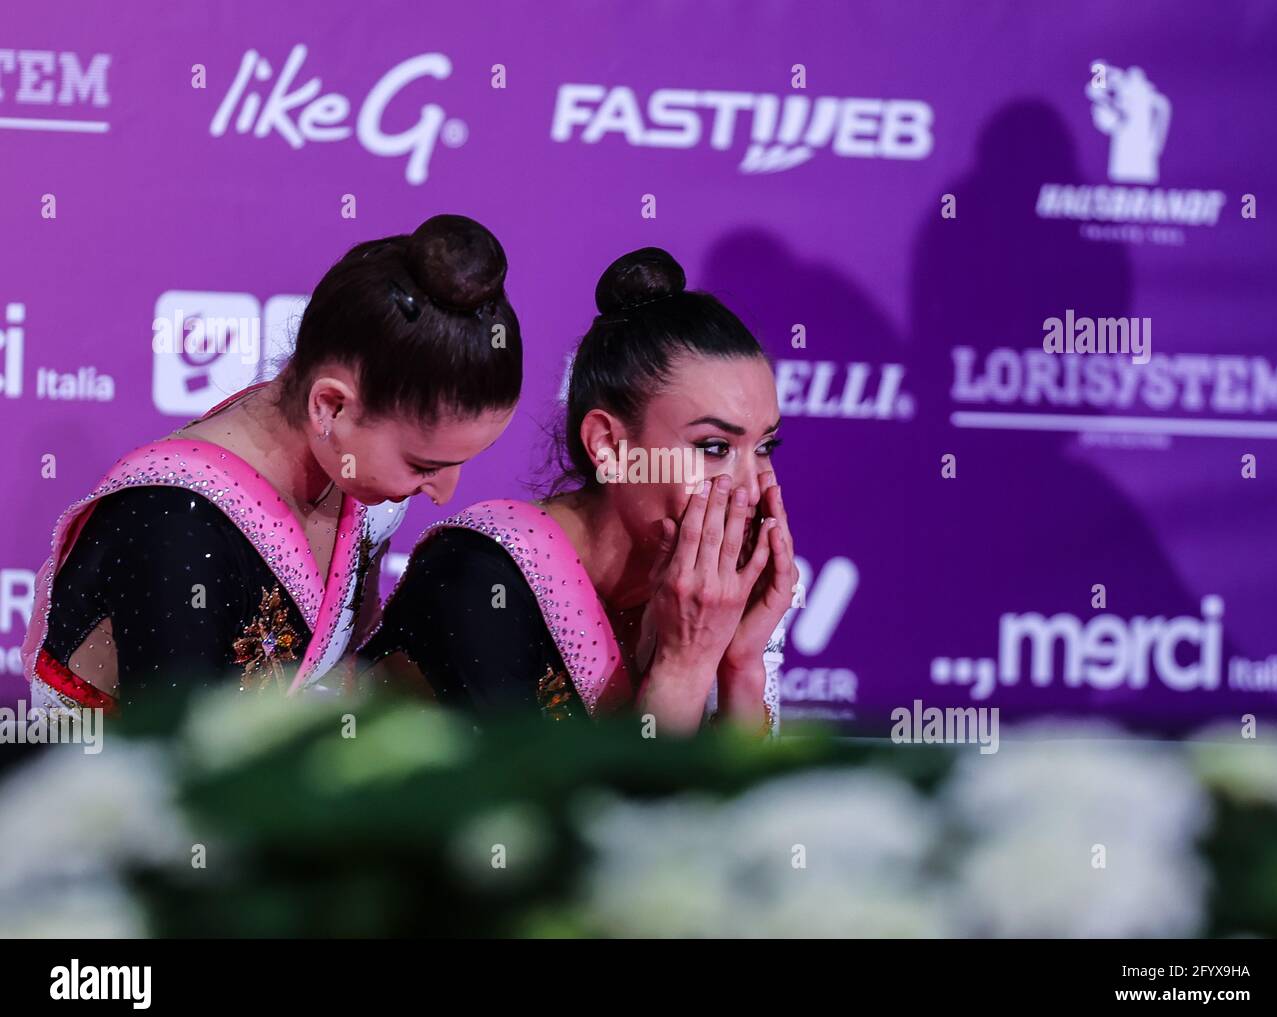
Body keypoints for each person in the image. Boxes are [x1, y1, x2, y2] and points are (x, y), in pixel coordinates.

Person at [21, 214, 522, 715]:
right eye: (423, 465)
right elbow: (180, 773)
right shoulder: (173, 527)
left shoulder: (359, 478)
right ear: (330, 406)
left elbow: (347, 682)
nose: (444, 493)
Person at [362, 246, 795, 736]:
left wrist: (740, 666)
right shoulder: (480, 577)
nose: (752, 487)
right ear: (609, 446)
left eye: (765, 446)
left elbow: (750, 809)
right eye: (715, 447)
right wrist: (683, 668)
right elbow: (576, 814)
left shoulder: (720, 593)